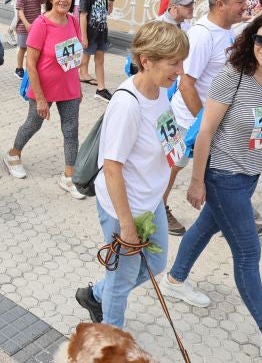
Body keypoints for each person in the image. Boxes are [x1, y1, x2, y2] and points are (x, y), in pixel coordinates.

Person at [162, 10, 262, 363]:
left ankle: (174, 280)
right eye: (259, 39)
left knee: (205, 229)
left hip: (250, 174)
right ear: (251, 39)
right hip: (222, 176)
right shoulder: (232, 77)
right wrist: (197, 181)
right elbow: (205, 131)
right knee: (248, 254)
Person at [74, 21, 189, 329]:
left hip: (149, 202)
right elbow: (112, 167)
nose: (179, 70)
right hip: (123, 208)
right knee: (122, 279)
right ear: (147, 60)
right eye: (173, 63)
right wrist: (126, 225)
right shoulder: (127, 104)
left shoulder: (160, 92)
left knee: (155, 262)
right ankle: (111, 340)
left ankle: (97, 294)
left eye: (181, 62)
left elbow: (166, 136)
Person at [164, 0, 247, 235]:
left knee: (218, 168)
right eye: (240, 2)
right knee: (172, 166)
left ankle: (234, 215)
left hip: (209, 119)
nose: (246, 6)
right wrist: (204, 122)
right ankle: (157, 208)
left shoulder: (228, 31)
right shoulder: (203, 35)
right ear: (220, 5)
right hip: (187, 119)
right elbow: (186, 83)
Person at [3, 0, 83, 190]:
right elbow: (31, 63)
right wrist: (40, 98)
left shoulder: (74, 22)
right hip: (43, 87)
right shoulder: (41, 23)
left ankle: (69, 176)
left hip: (69, 88)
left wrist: (79, 88)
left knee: (71, 130)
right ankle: (13, 155)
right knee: (33, 124)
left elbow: (74, 59)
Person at [79, 0, 117, 101]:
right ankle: (65, 79)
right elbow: (83, 15)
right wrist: (84, 36)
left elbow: (104, 12)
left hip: (101, 34)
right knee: (82, 61)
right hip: (90, 34)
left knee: (100, 61)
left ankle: (101, 89)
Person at [13, 0, 44, 78]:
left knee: (34, 48)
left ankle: (31, 68)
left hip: (35, 27)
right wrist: (27, 24)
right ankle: (19, 68)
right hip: (23, 27)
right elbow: (20, 12)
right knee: (23, 48)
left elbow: (46, 1)